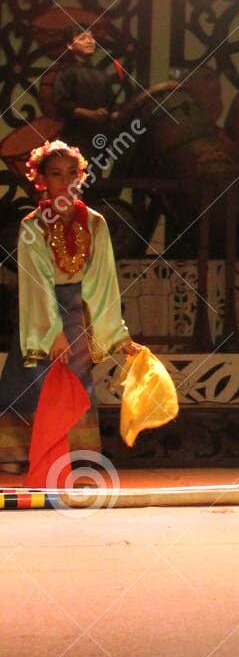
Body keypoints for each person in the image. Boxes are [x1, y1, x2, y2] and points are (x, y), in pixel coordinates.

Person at [0, 141, 135, 481]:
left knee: (76, 376)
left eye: (72, 174)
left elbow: (102, 281)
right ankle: (19, 451)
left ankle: (75, 453)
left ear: (80, 177)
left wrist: (114, 332)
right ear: (41, 180)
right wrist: (52, 331)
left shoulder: (95, 223)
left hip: (77, 311)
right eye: (56, 174)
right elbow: (36, 281)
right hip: (39, 311)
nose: (65, 182)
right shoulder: (33, 226)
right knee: (31, 375)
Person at [51, 28, 127, 160]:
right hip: (75, 139)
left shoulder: (101, 74)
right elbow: (61, 105)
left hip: (99, 140)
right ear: (69, 45)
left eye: (91, 37)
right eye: (82, 38)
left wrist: (116, 115)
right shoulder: (66, 73)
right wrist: (91, 114)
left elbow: (112, 106)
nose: (89, 41)